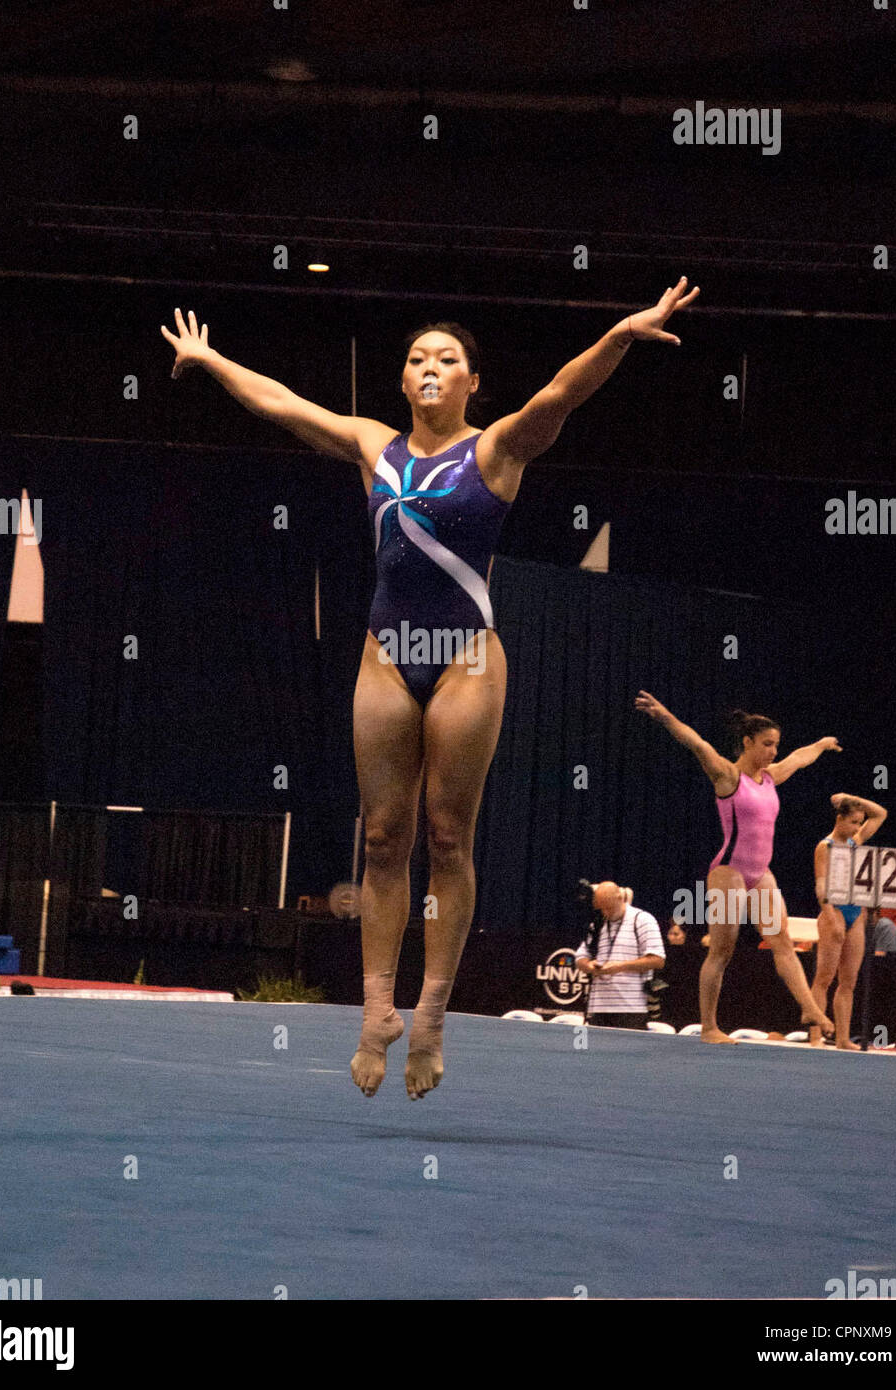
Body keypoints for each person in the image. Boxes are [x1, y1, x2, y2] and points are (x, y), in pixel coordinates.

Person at [162, 279, 700, 1098]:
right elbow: (281, 404)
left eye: (447, 360)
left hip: (466, 660)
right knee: (382, 838)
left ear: (471, 382)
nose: (429, 368)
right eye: (416, 358)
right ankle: (377, 1008)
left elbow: (561, 391)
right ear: (403, 377)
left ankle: (432, 1014)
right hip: (385, 653)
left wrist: (621, 334)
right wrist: (207, 358)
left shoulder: (497, 451)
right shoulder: (374, 447)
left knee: (447, 838)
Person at [634, 697, 838, 1044]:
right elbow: (696, 743)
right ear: (747, 742)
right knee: (721, 952)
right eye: (767, 744)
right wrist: (667, 717)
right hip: (729, 873)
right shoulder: (728, 776)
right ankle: (710, 1027)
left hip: (761, 874)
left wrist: (820, 744)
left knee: (783, 942)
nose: (774, 751)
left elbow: (799, 759)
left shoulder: (771, 778)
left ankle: (809, 1008)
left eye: (776, 744)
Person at [809, 794, 888, 1049]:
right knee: (824, 978)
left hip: (856, 913)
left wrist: (850, 798)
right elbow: (821, 887)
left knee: (849, 981)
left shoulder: (855, 842)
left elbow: (880, 814)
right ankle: (815, 1036)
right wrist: (832, 919)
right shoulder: (825, 846)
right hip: (834, 912)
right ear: (839, 819)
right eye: (853, 822)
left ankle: (842, 1038)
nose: (857, 827)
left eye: (859, 823)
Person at [574, 882, 665, 1029]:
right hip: (598, 1006)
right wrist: (590, 966)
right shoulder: (598, 924)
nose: (605, 912)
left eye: (609, 907)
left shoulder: (642, 920)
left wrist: (619, 966)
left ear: (619, 898)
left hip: (631, 1008)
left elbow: (657, 960)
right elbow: (580, 957)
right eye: (601, 908)